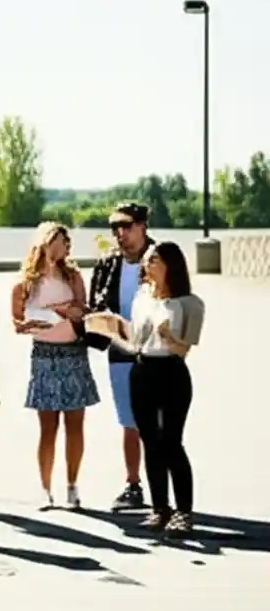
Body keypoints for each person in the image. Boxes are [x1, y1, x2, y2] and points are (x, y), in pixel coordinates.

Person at [86, 241, 204, 536]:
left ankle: (184, 512)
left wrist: (168, 335)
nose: (147, 265)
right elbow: (136, 340)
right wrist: (112, 327)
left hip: (172, 372)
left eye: (154, 261)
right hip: (142, 369)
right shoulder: (142, 297)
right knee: (150, 441)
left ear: (169, 267)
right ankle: (160, 508)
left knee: (172, 442)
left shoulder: (187, 303)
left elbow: (182, 350)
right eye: (147, 261)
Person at [12, 222, 100, 509]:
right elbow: (17, 322)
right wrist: (46, 315)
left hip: (73, 353)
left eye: (66, 242)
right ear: (45, 242)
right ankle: (45, 488)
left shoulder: (73, 277)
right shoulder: (26, 282)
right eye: (58, 241)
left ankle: (72, 486)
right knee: (47, 427)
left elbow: (82, 313)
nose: (63, 247)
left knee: (75, 424)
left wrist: (72, 312)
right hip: (44, 356)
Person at [81, 201, 156, 511]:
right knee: (129, 423)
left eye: (126, 227)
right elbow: (95, 304)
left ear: (142, 226)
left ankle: (164, 492)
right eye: (114, 229)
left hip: (156, 354)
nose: (120, 234)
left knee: (158, 425)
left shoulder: (160, 258)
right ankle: (133, 485)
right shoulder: (108, 263)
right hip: (120, 352)